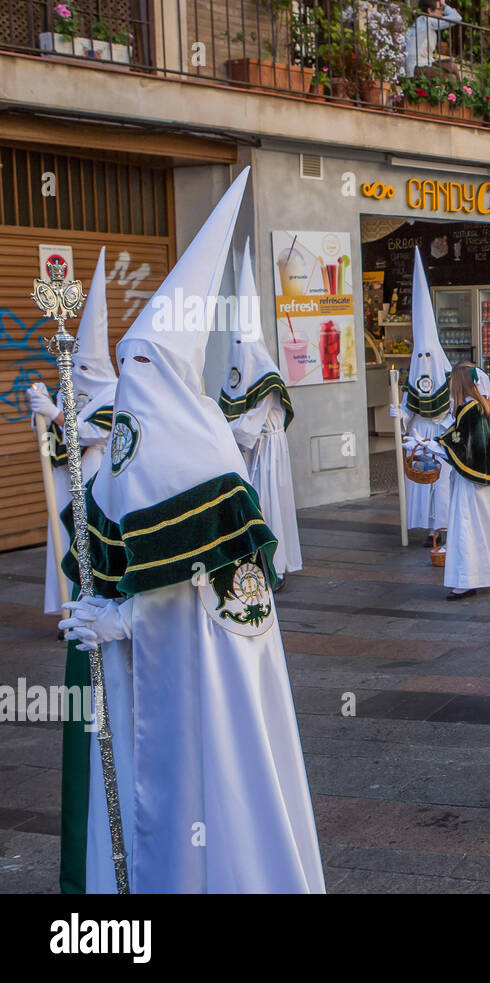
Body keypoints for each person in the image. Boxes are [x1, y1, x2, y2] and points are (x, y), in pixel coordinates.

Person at [57, 168, 324, 893]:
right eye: (128, 362)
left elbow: (227, 608)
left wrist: (127, 619)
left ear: (173, 372)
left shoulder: (209, 461)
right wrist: (96, 610)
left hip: (204, 690)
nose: (133, 377)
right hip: (144, 687)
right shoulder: (119, 466)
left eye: (148, 363)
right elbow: (103, 559)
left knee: (210, 806)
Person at [28, 246, 116, 617]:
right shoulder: (74, 393)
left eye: (84, 366)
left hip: (97, 483)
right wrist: (43, 410)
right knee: (66, 540)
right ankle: (67, 605)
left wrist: (57, 415)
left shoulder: (114, 394)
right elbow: (57, 434)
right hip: (68, 482)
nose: (77, 372)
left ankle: (92, 604)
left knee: (91, 543)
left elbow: (95, 433)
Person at [219, 239, 301, 587]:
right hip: (251, 451)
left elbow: (249, 426)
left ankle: (275, 565)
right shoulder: (240, 371)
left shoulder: (267, 379)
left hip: (266, 449)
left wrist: (219, 432)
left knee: (268, 504)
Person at [397, 247, 454, 550]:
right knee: (419, 482)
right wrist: (401, 415)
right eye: (421, 355)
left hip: (440, 435)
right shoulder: (414, 377)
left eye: (429, 354)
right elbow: (409, 408)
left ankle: (442, 526)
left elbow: (454, 406)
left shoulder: (446, 376)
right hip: (419, 434)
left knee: (442, 483)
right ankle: (422, 527)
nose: (425, 359)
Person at [436, 361, 490, 600]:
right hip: (478, 480)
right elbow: (461, 441)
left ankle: (467, 580)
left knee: (466, 528)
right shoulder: (476, 409)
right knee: (479, 530)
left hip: (470, 483)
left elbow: (462, 447)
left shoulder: (471, 411)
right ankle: (479, 576)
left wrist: (435, 446)